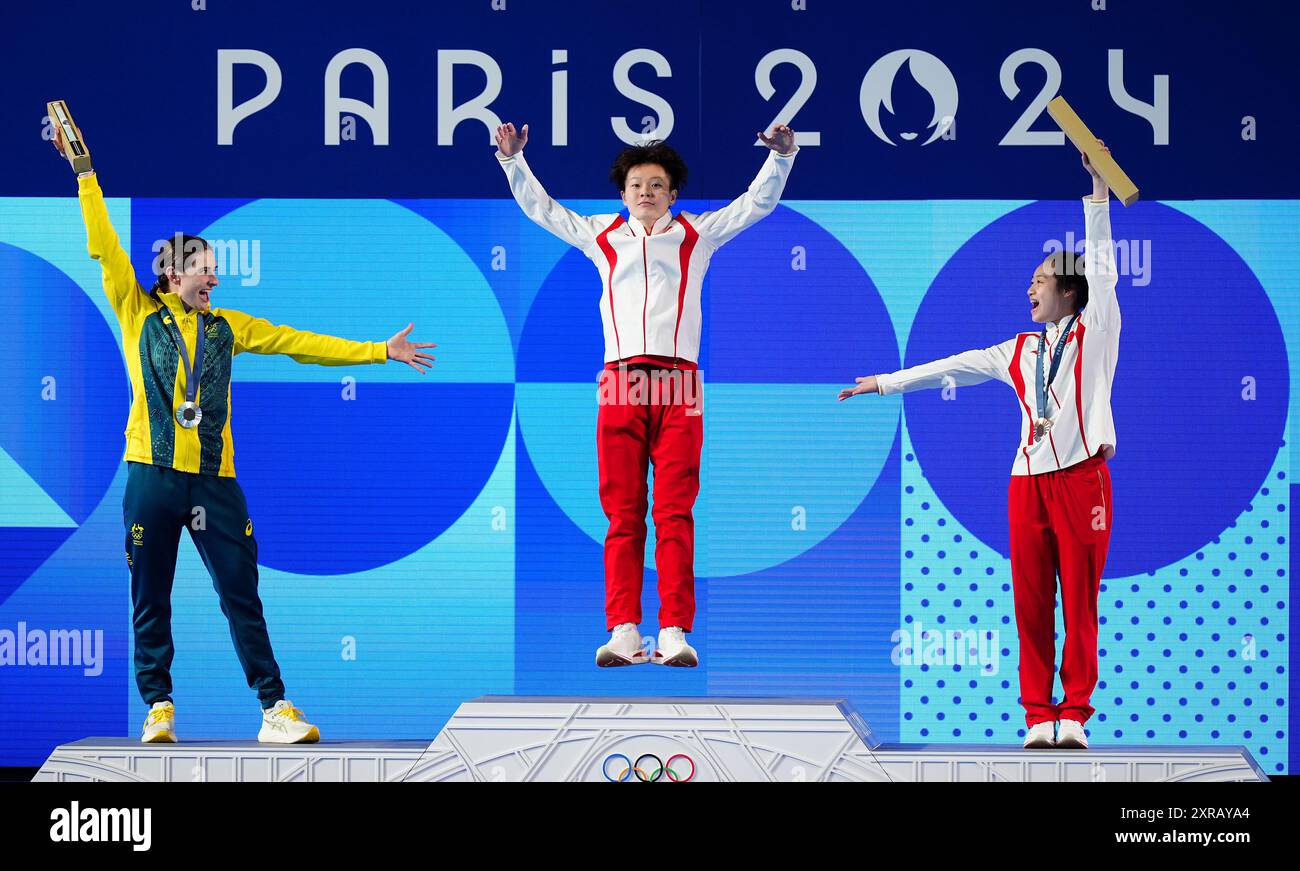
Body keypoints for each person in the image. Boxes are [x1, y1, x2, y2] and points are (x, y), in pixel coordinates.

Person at [52, 122, 436, 744]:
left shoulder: (228, 325)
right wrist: (86, 175)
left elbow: (297, 344)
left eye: (217, 271)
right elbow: (103, 247)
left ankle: (274, 709)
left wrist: (377, 352)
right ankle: (159, 708)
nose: (215, 279)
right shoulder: (137, 310)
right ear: (173, 275)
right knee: (150, 596)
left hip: (214, 484)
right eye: (205, 270)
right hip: (150, 475)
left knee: (242, 596)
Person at [840, 144, 1120, 749]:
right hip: (1027, 484)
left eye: (1040, 281)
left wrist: (1096, 197)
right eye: (1030, 282)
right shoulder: (1019, 349)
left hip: (1081, 479)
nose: (1030, 290)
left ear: (1071, 293)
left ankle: (1074, 714)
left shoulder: (1098, 332)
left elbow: (1102, 268)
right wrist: (885, 382)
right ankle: (1038, 717)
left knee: (1079, 601)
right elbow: (955, 365)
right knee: (1030, 604)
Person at [494, 122, 798, 668]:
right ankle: (625, 629)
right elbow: (542, 209)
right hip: (619, 382)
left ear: (673, 194)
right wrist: (514, 162)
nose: (645, 193)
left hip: (680, 384)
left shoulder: (698, 235)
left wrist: (782, 157)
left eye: (656, 185)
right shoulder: (600, 235)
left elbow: (757, 204)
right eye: (636, 185)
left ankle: (675, 630)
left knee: (676, 512)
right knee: (623, 514)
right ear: (623, 193)